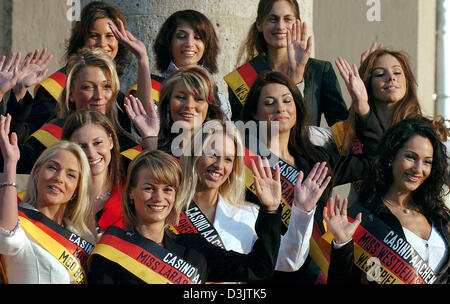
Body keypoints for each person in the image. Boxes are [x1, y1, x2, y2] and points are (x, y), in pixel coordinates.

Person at [241, 70, 373, 283]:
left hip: (314, 271)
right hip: (263, 272)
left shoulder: (315, 159)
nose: (280, 108)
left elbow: (368, 164)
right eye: (269, 102)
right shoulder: (242, 161)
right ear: (255, 113)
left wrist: (363, 105)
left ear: (297, 108)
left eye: (287, 100)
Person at [87, 149, 282, 284]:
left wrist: (271, 210)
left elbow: (259, 268)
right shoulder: (112, 252)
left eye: (168, 189)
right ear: (131, 192)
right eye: (149, 188)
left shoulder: (194, 248)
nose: (159, 198)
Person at [175, 119, 331, 275]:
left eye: (228, 159)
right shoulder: (166, 207)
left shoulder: (246, 215)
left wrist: (302, 211)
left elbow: (288, 260)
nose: (219, 165)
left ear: (233, 167)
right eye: (212, 154)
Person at [325, 118, 450, 284]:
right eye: (411, 157)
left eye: (427, 162)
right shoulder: (366, 218)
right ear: (392, 156)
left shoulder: (438, 216)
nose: (418, 169)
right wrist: (342, 245)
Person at [7, 1, 152, 141]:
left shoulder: (116, 98)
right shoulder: (54, 90)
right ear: (82, 39)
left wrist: (142, 59)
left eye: (110, 36)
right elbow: (22, 137)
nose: (102, 44)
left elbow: (146, 123)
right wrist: (19, 90)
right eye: (94, 36)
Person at [7, 46, 148, 174]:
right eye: (88, 87)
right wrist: (17, 91)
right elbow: (7, 158)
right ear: (71, 94)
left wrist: (150, 137)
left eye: (106, 86)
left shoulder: (125, 144)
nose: (99, 96)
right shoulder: (52, 137)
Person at [0, 114, 97, 284]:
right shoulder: (20, 224)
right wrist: (10, 164)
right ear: (37, 173)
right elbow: (6, 238)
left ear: (76, 190)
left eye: (71, 175)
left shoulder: (79, 235)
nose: (59, 178)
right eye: (53, 167)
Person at [225, 0, 348, 126]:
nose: (280, 27)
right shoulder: (241, 78)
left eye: (287, 19)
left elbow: (341, 129)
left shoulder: (320, 71)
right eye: (273, 19)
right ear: (259, 24)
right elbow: (240, 131)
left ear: (297, 23)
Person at [128, 9, 232, 119]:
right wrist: (142, 59)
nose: (189, 44)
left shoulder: (215, 91)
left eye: (197, 37)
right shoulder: (150, 87)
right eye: (181, 36)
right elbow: (147, 122)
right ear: (168, 42)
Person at [127, 66, 225, 156]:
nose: (189, 105)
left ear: (210, 107)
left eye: (199, 99)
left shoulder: (221, 152)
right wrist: (150, 139)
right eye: (180, 97)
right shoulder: (154, 148)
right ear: (168, 103)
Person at [61, 110, 126, 233]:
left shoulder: (131, 193)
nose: (91, 154)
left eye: (97, 143)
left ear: (110, 142)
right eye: (82, 147)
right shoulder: (59, 193)